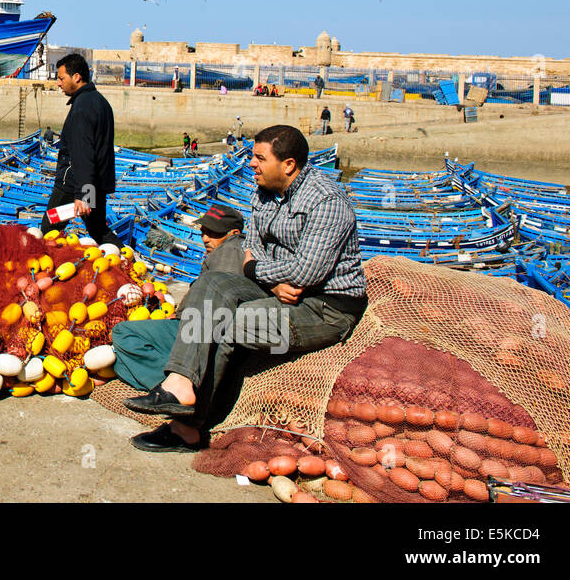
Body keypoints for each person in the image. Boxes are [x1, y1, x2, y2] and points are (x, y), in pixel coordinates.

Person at [124, 124, 365, 452]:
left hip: (324, 307)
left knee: (223, 325)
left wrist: (262, 270)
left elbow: (306, 272)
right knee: (213, 283)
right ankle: (180, 383)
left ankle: (188, 430)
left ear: (288, 165)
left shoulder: (326, 200)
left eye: (259, 158)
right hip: (278, 291)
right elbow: (252, 251)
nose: (251, 163)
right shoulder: (262, 192)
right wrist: (272, 277)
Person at [112, 205, 246, 396]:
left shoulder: (229, 250)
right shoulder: (228, 250)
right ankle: (174, 378)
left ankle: (177, 386)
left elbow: (220, 296)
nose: (205, 238)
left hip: (197, 329)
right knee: (120, 366)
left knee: (121, 333)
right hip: (190, 323)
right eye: (203, 232)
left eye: (213, 233)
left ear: (234, 233)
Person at [40, 54, 122, 248]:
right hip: (94, 183)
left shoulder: (82, 107)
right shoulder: (100, 102)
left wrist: (83, 195)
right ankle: (125, 257)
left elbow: (83, 154)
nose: (58, 84)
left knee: (49, 228)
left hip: (72, 184)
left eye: (61, 78)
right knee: (97, 229)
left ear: (76, 77)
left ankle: (46, 266)